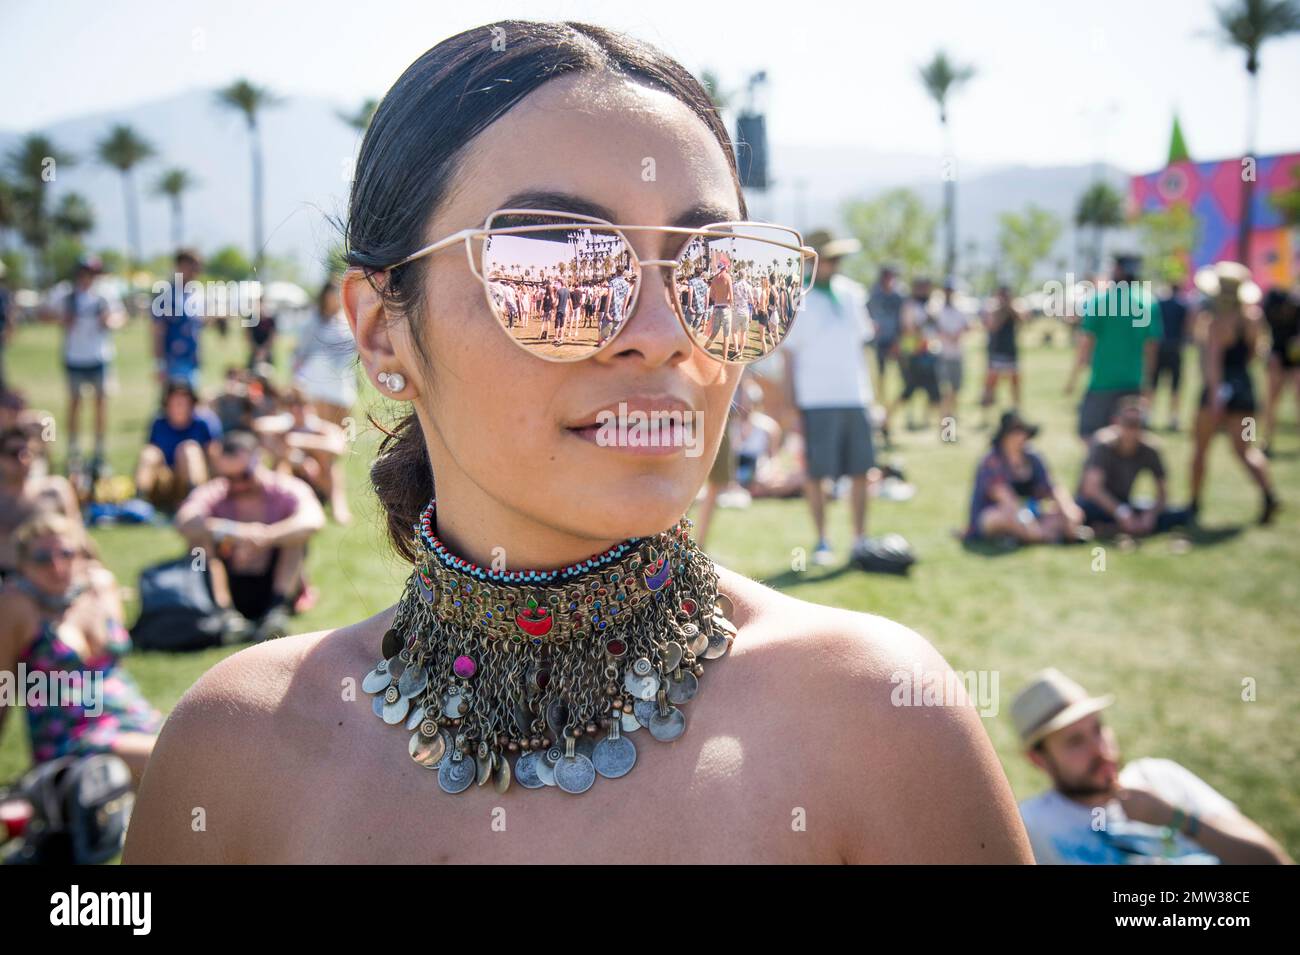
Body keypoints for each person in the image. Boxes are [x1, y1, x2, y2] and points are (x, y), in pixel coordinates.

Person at [124, 21, 1032, 865]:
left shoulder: (877, 717)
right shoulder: (234, 750)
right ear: (380, 330)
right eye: (558, 263)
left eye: (711, 269)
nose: (663, 331)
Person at [1012, 669, 1292, 864]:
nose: (1099, 749)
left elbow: (1272, 860)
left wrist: (1176, 818)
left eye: (1098, 729)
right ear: (1039, 760)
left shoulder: (1159, 776)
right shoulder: (1030, 825)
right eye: (1075, 741)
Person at [0, 513, 163, 788]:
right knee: (168, 761)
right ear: (23, 565)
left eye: (66, 553)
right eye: (42, 558)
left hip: (133, 717)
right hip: (74, 736)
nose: (57, 565)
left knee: (211, 748)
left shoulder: (101, 587)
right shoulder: (17, 605)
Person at [781, 228, 883, 568]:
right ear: (816, 260)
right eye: (832, 258)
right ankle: (823, 540)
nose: (837, 264)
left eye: (840, 258)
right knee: (816, 474)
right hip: (815, 400)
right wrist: (792, 405)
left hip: (854, 397)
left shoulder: (853, 294)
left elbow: (862, 347)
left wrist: (872, 397)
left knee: (860, 470)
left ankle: (859, 539)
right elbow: (789, 356)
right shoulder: (798, 297)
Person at [174, 431, 324, 643]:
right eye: (229, 478)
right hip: (229, 581)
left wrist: (268, 536)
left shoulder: (284, 487)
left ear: (259, 460)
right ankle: (227, 614)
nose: (237, 485)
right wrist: (235, 532)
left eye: (244, 476)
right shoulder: (217, 491)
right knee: (199, 541)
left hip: (274, 581)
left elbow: (313, 520)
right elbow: (184, 521)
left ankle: (276, 612)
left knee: (296, 539)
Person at [1187, 261, 1279, 524]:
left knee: (1200, 449)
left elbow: (1214, 362)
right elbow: (1254, 354)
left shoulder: (1213, 321)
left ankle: (1193, 505)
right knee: (1246, 449)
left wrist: (1215, 396)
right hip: (1245, 393)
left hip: (1216, 394)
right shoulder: (1252, 318)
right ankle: (1269, 495)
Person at [1066, 253, 1163, 444]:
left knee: (1088, 434)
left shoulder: (1100, 301)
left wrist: (1073, 378)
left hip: (1102, 381)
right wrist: (1148, 381)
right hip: (1133, 381)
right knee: (1128, 436)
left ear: (1118, 270)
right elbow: (1151, 347)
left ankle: (1101, 468)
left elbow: (1086, 343)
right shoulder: (1148, 302)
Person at [966, 410, 1086, 545]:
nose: (1020, 437)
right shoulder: (992, 461)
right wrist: (1029, 525)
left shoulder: (1033, 458)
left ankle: (1026, 537)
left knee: (1070, 513)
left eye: (1023, 432)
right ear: (1004, 435)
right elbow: (1005, 499)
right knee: (998, 518)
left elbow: (1052, 488)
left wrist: (1068, 510)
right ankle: (1046, 536)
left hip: (1032, 515)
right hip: (1005, 514)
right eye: (1015, 432)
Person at [1075, 397, 1189, 536]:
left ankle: (1113, 527)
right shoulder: (1103, 444)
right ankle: (1114, 526)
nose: (1132, 429)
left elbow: (1162, 491)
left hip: (1125, 502)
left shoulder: (1150, 449)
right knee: (1082, 514)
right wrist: (1121, 512)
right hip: (1096, 505)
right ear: (1116, 422)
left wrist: (1151, 515)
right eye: (1128, 423)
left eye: (1138, 424)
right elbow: (1091, 489)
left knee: (1178, 514)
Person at [61, 256, 121, 480]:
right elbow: (45, 313)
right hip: (74, 357)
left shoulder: (105, 295)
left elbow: (119, 317)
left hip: (99, 357)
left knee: (100, 405)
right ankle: (74, 451)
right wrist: (63, 319)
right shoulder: (67, 295)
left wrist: (109, 321)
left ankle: (98, 452)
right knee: (75, 405)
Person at [254, 387, 351, 524]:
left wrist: (301, 441)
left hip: (319, 478)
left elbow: (339, 448)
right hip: (292, 475)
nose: (297, 410)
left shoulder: (320, 427)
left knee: (329, 463)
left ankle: (338, 507)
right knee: (281, 456)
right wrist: (298, 459)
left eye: (300, 405)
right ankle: (277, 506)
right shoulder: (285, 426)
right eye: (292, 406)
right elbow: (259, 427)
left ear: (309, 407)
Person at [0, 426, 81, 579]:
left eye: (28, 453)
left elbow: (77, 537)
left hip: (52, 574)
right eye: (14, 454)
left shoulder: (54, 490)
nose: (22, 459)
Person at [134, 378, 222, 512]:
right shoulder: (159, 422)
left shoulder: (204, 421)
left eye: (183, 400)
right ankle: (139, 501)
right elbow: (153, 454)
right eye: (174, 400)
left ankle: (196, 502)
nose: (179, 404)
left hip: (198, 480)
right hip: (165, 482)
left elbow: (215, 456)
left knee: (189, 448)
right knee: (149, 453)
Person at [293, 279, 359, 425]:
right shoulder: (313, 320)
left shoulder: (346, 318)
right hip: (317, 374)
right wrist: (296, 375)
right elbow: (302, 348)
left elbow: (354, 345)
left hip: (342, 374)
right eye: (332, 296)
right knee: (322, 421)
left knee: (344, 414)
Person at [890, 276, 940, 432]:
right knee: (907, 393)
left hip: (929, 355)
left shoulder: (930, 304)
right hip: (915, 356)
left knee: (937, 395)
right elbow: (908, 328)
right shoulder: (910, 305)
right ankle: (885, 422)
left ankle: (947, 433)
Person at [152, 248, 205, 390]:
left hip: (191, 360)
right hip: (172, 361)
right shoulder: (165, 294)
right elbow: (157, 331)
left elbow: (197, 326)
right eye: (193, 267)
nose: (196, 272)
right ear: (181, 266)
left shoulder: (196, 293)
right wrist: (159, 364)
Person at [1261, 284, 1299, 456]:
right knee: (1270, 400)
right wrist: (1267, 351)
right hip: (1277, 355)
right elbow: (1262, 332)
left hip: (1296, 358)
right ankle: (1266, 441)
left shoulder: (1297, 307)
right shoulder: (1270, 306)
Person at [1150, 278, 1190, 432]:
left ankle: (1147, 415)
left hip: (1159, 346)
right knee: (1175, 385)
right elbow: (1187, 327)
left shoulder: (1159, 303)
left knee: (1153, 383)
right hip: (1175, 347)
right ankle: (1173, 418)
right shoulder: (1183, 305)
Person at [979, 285, 1022, 419]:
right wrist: (1001, 311)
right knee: (990, 385)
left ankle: (1016, 412)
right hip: (996, 352)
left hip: (1010, 352)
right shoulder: (993, 309)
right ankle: (985, 415)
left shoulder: (1014, 309)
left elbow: (1023, 320)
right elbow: (992, 326)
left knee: (1014, 384)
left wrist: (1010, 308)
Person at [867, 266, 903, 408]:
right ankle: (881, 405)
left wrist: (897, 341)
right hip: (879, 341)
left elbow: (902, 320)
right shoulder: (874, 295)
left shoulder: (898, 296)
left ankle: (893, 408)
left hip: (895, 341)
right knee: (881, 376)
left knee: (901, 377)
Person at [935, 281, 969, 431]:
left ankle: (952, 418)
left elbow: (967, 327)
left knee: (956, 390)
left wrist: (958, 334)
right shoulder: (937, 310)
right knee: (946, 391)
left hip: (957, 355)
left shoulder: (960, 310)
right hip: (943, 355)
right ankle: (945, 422)